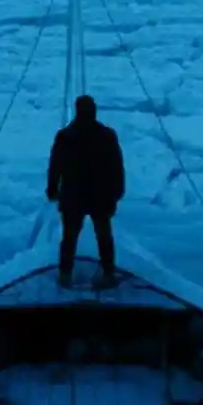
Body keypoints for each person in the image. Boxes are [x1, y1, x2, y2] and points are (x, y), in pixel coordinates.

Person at [46, 95, 125, 289]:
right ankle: (108, 273)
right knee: (104, 236)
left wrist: (52, 189)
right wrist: (117, 192)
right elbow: (116, 167)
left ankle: (65, 275)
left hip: (73, 196)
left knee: (69, 238)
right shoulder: (107, 135)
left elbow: (56, 166)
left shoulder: (65, 136)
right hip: (100, 196)